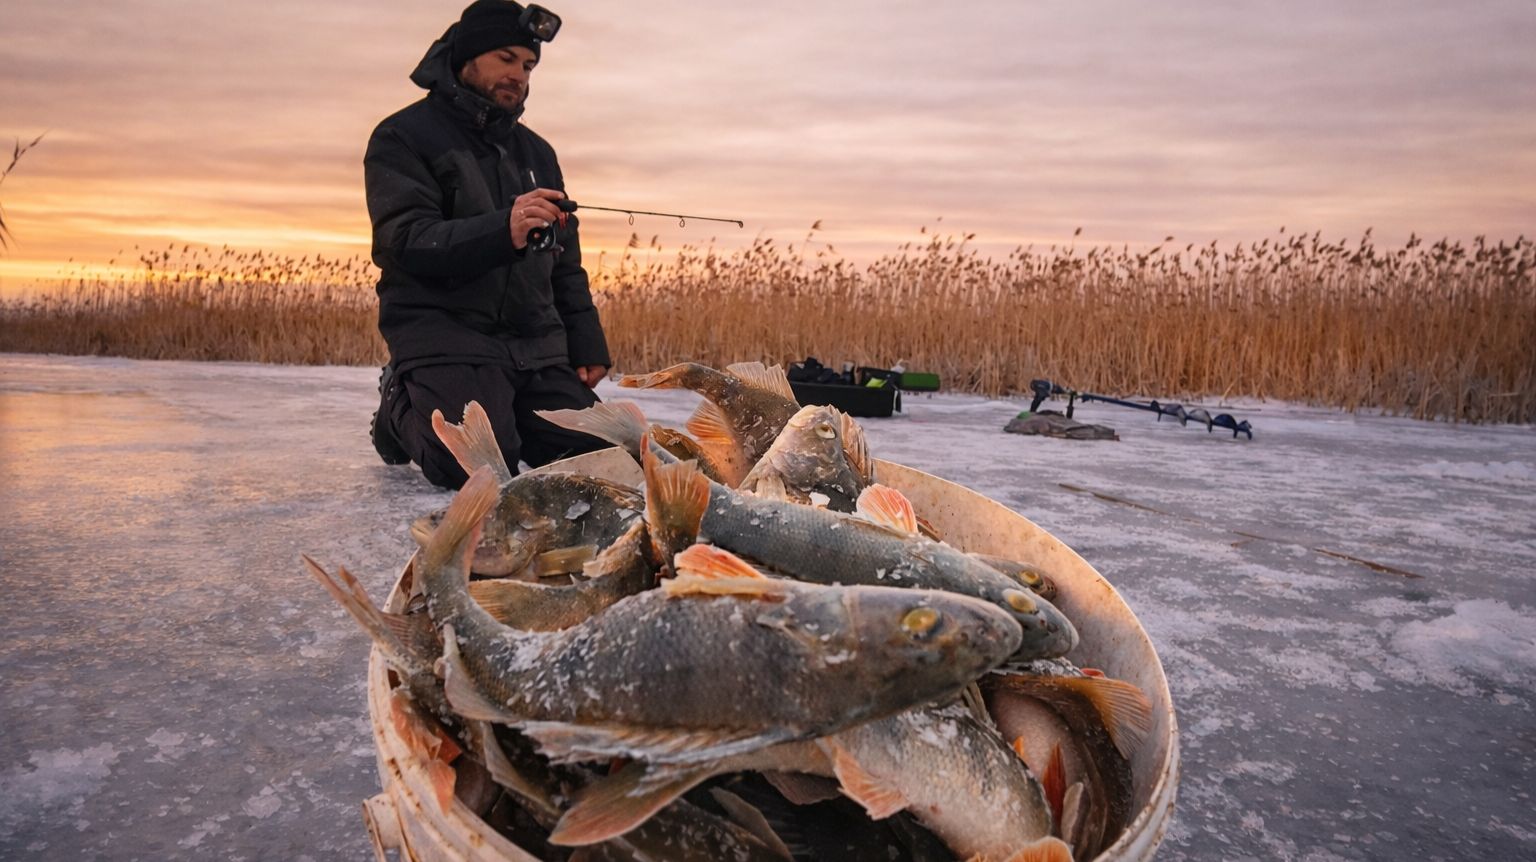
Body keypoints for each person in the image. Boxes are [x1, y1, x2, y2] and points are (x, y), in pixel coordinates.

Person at [364, 0, 611, 489]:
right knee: (472, 467)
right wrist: (504, 230)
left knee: (602, 457)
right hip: (446, 334)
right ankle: (399, 404)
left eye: (529, 65)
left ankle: (510, 411)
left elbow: (566, 264)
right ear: (467, 57)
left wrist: (586, 344)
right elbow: (405, 240)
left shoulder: (538, 153)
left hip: (533, 346)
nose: (518, 74)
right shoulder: (402, 136)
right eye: (506, 58)